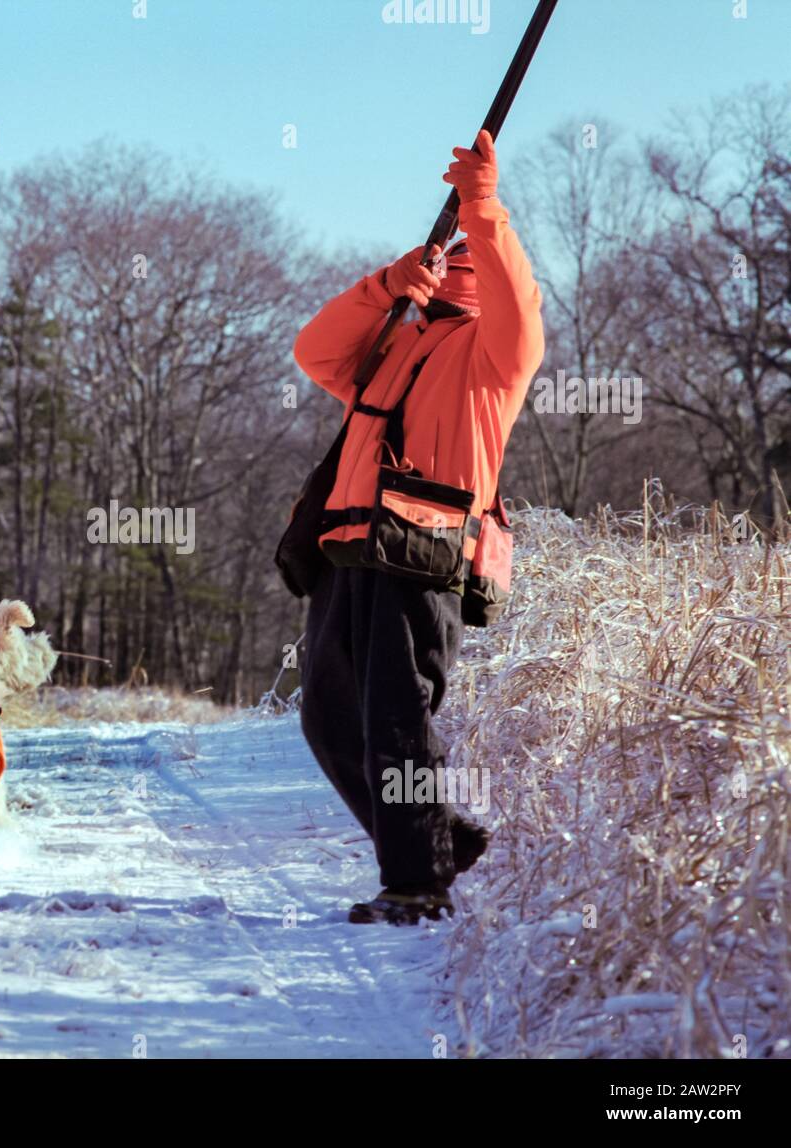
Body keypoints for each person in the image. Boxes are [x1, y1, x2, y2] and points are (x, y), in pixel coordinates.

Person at [291, 129, 544, 925]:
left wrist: (482, 205)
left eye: (459, 260)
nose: (453, 262)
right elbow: (315, 350)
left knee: (399, 721)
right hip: (351, 550)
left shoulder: (495, 356)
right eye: (450, 255)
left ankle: (417, 884)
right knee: (328, 718)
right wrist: (388, 284)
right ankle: (440, 845)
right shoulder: (397, 345)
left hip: (423, 555)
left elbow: (517, 298)